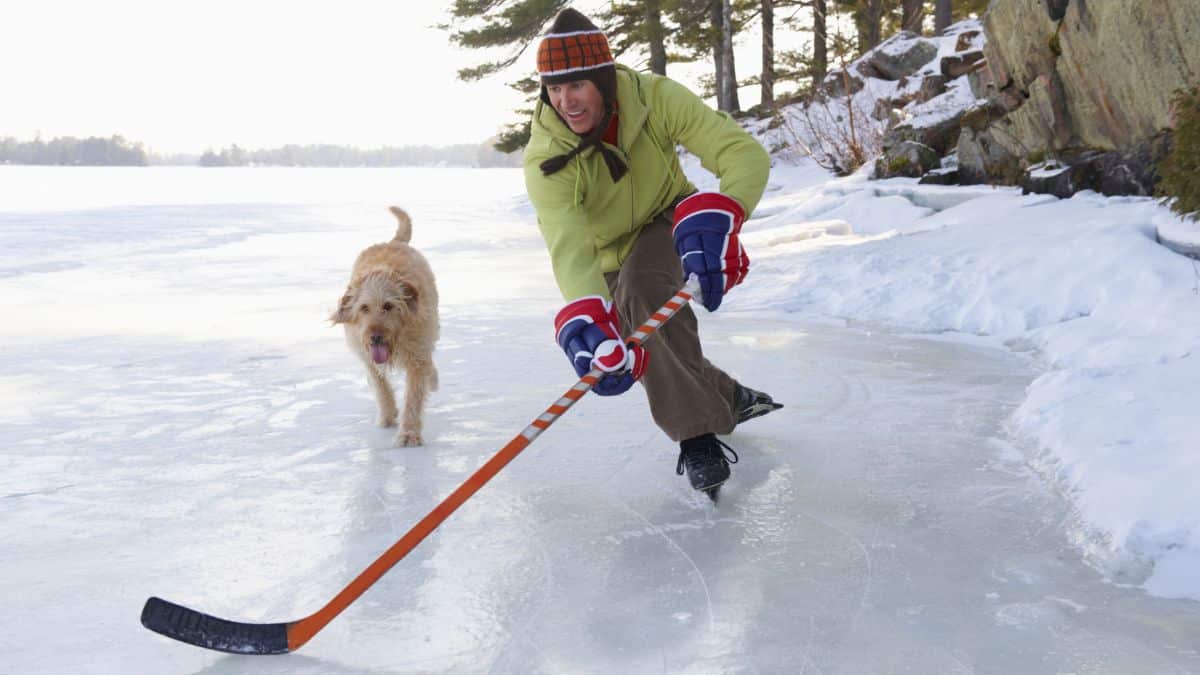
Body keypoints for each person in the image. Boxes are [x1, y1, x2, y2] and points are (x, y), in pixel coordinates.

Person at [523, 8, 781, 497]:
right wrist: (587, 312)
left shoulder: (655, 98)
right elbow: (567, 244)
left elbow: (740, 152)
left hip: (668, 217)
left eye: (576, 85)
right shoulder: (544, 156)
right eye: (554, 89)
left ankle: (697, 437)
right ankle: (729, 397)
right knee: (630, 343)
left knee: (644, 291)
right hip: (603, 254)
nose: (565, 101)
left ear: (603, 78)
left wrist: (726, 210)